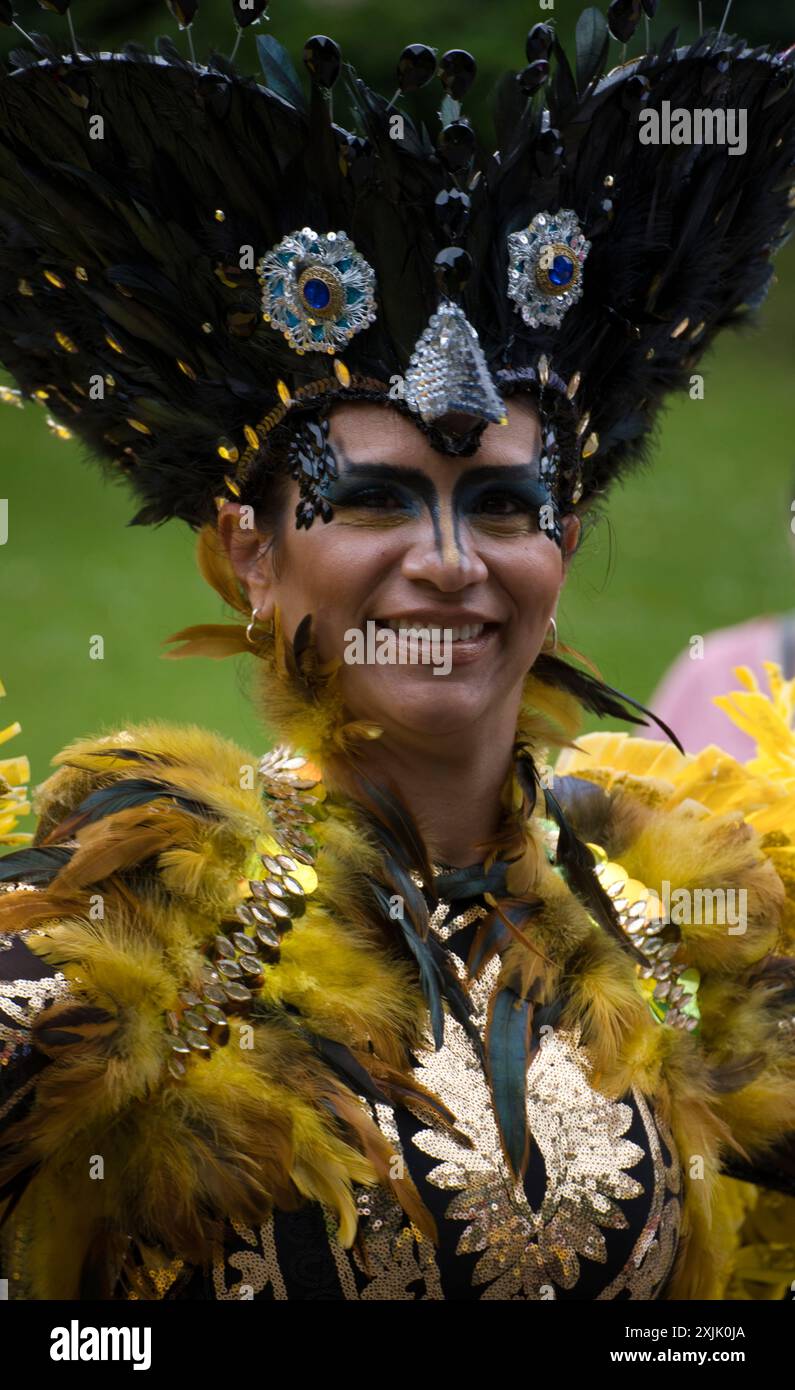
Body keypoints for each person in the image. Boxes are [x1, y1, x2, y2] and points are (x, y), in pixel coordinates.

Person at [0, 1, 793, 1301]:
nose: (449, 560)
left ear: (566, 539)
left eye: (501, 504)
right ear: (251, 551)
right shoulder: (133, 929)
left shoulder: (679, 921)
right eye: (373, 500)